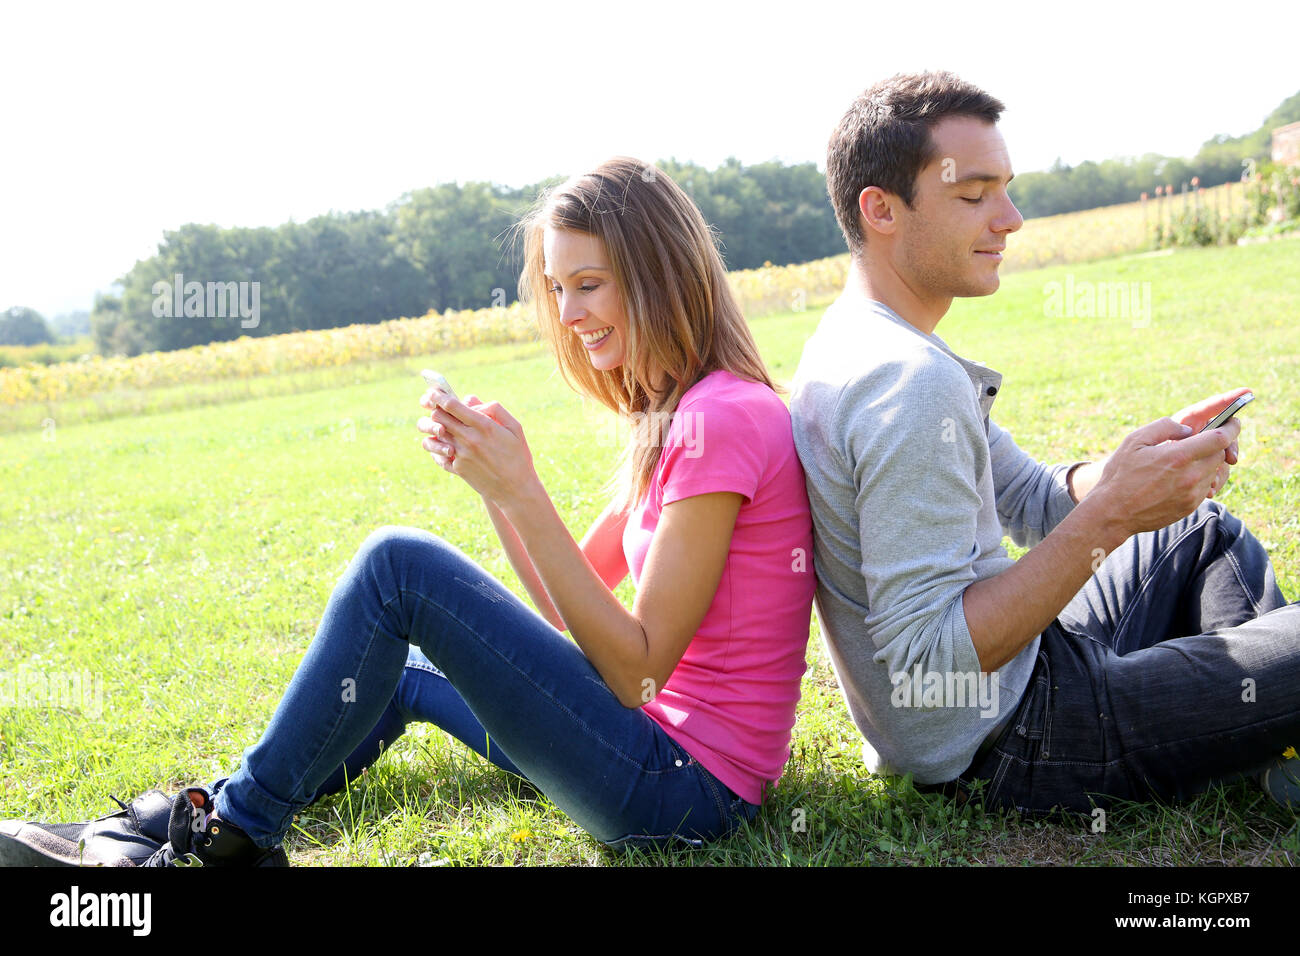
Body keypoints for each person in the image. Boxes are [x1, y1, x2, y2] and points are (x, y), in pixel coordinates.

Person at [1, 156, 816, 866]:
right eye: (559, 289)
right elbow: (565, 610)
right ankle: (215, 812)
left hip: (683, 795)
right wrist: (497, 489)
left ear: (658, 273)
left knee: (398, 567)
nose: (568, 315)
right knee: (405, 668)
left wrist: (523, 492)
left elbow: (635, 672)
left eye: (589, 285)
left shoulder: (722, 419)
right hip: (648, 756)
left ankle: (231, 840)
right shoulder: (683, 415)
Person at [788, 71, 1300, 815]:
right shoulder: (904, 381)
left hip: (1019, 678)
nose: (1012, 218)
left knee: (1200, 532)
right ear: (881, 209)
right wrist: (1114, 514)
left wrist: (1128, 470)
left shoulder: (861, 341)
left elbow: (1029, 500)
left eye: (1007, 189)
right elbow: (928, 661)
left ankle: (1268, 744)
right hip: (1014, 737)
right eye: (974, 195)